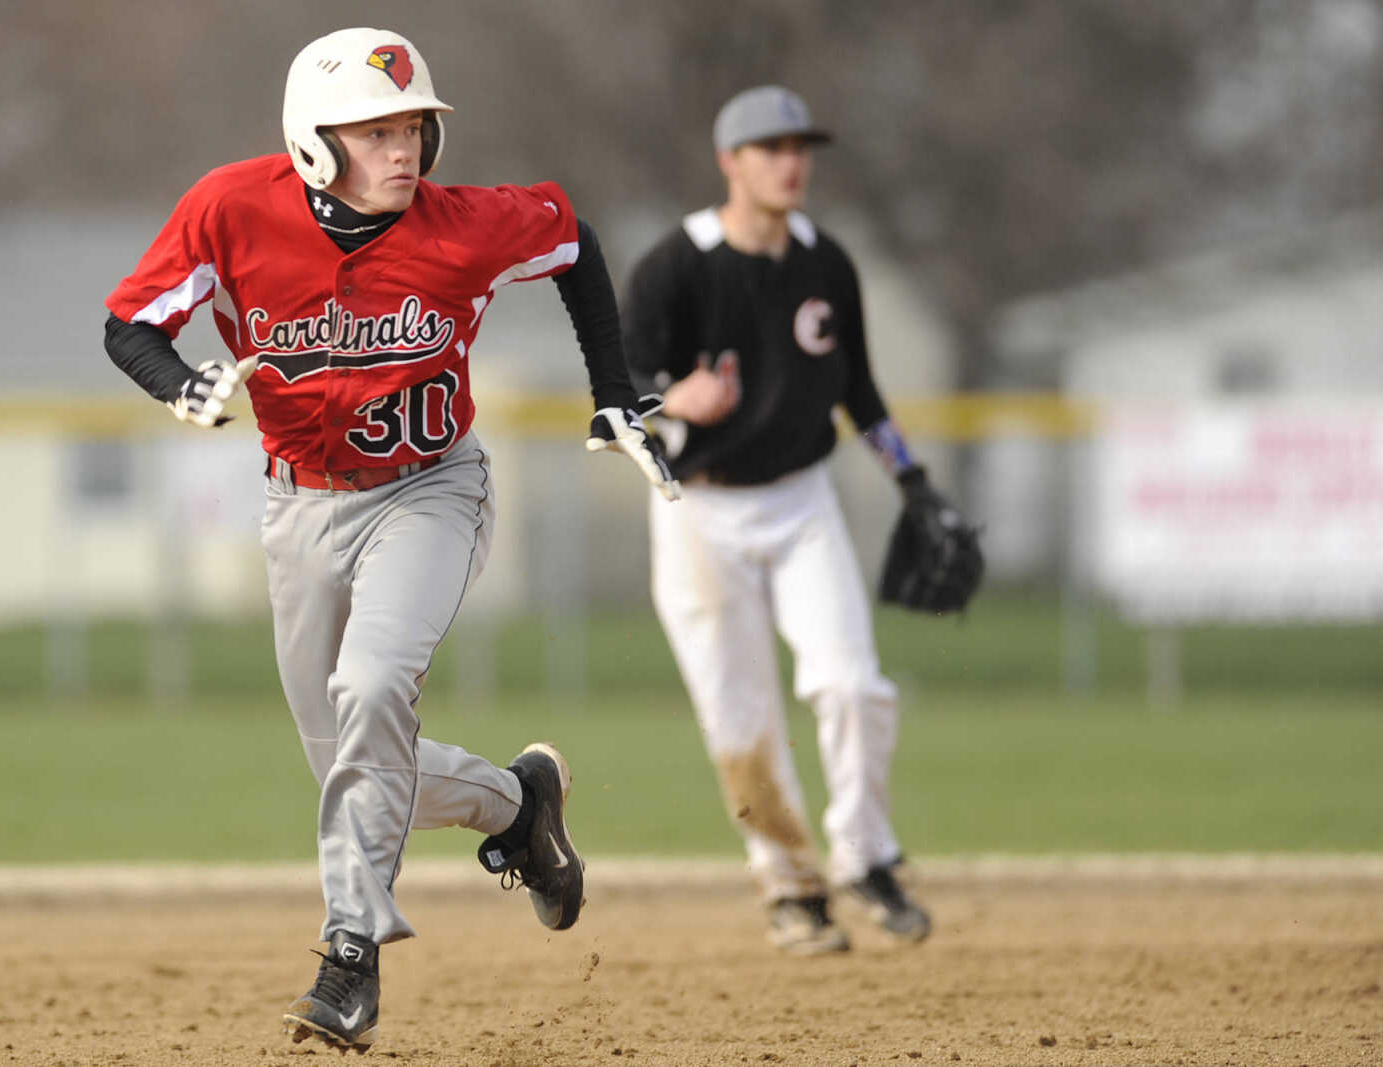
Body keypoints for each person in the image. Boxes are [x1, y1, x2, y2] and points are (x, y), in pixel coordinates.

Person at [102, 27, 678, 1051]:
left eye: (413, 126)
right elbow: (130, 323)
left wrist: (614, 389)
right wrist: (179, 383)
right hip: (298, 503)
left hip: (429, 491)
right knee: (348, 762)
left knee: (371, 689)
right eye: (375, 131)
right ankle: (518, 806)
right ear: (314, 141)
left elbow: (573, 241)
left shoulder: (465, 224)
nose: (404, 147)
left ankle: (350, 957)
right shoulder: (232, 208)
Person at [623, 85, 973, 955]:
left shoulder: (826, 263)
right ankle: (790, 886)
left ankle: (866, 854)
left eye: (799, 148)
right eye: (771, 148)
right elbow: (617, 395)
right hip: (698, 510)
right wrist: (672, 398)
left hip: (801, 499)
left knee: (853, 682)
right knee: (740, 721)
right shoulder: (676, 265)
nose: (791, 163)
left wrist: (911, 477)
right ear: (730, 163)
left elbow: (860, 391)